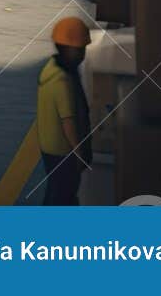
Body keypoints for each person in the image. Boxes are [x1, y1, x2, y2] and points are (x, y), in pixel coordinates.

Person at [36, 17, 93, 205]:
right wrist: (79, 153)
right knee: (65, 194)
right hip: (62, 149)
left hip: (49, 146)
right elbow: (68, 121)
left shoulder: (51, 69)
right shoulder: (61, 80)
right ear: (69, 50)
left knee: (56, 189)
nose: (83, 54)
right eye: (81, 49)